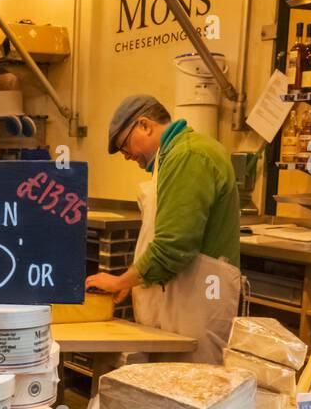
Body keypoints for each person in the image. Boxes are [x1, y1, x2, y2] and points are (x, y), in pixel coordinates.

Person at [85, 94, 241, 364]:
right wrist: (138, 280)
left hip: (198, 301)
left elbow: (174, 245)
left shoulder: (189, 155)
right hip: (183, 299)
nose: (127, 156)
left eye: (125, 146)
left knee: (192, 390)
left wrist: (121, 280)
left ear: (144, 125)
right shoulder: (172, 156)